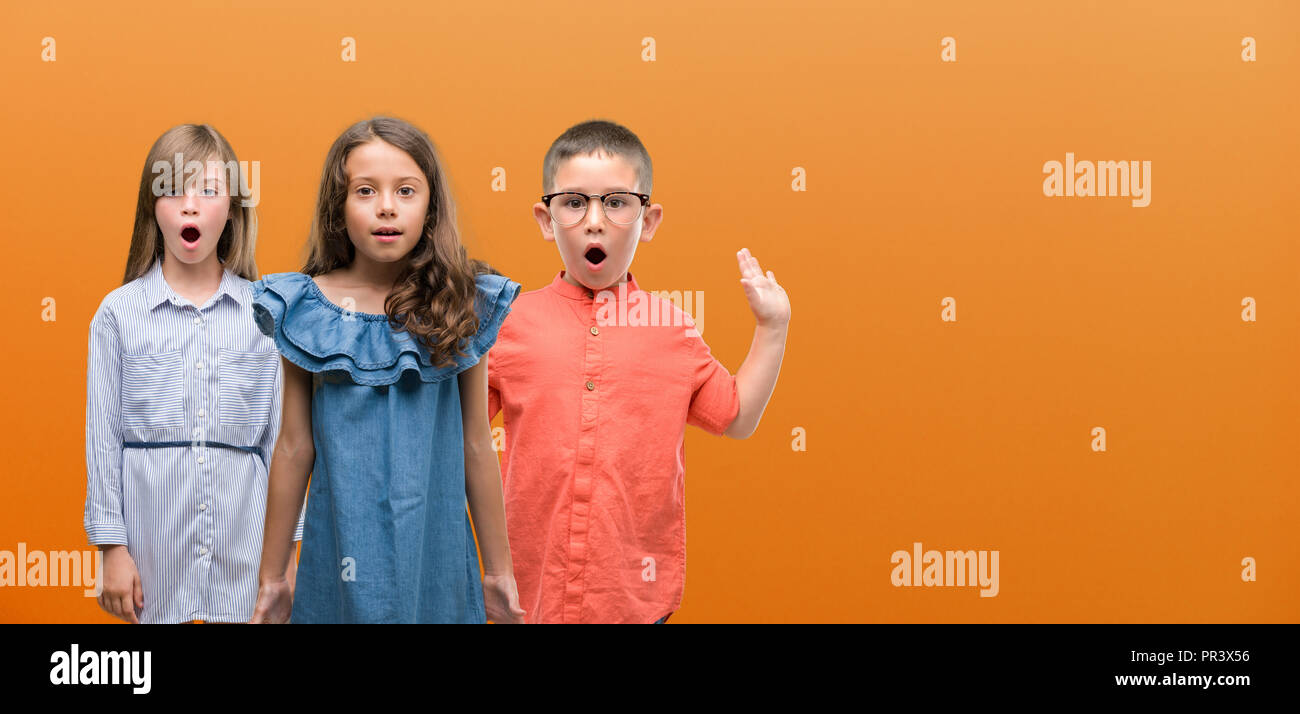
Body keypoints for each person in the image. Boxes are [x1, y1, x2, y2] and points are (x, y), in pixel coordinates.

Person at [488, 119, 791, 623]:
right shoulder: (509, 323)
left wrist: (772, 326)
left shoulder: (672, 327)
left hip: (634, 595)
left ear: (648, 221)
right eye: (574, 202)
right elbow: (458, 430)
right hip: (528, 592)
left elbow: (736, 417)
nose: (594, 221)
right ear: (546, 219)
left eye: (616, 202)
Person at [249, 117, 525, 623]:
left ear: (431, 205)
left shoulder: (460, 304)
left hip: (437, 557)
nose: (386, 207)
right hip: (338, 557)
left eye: (406, 190)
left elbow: (476, 443)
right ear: (339, 208)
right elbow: (292, 446)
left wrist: (498, 571)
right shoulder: (304, 308)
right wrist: (272, 574)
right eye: (365, 191)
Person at [85, 123, 301, 624]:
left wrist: (287, 558)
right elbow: (102, 440)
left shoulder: (266, 315)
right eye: (173, 190)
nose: (190, 205)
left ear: (232, 209)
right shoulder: (117, 315)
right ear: (151, 207)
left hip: (247, 548)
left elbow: (282, 442)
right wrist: (110, 547)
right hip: (151, 547)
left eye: (208, 191)